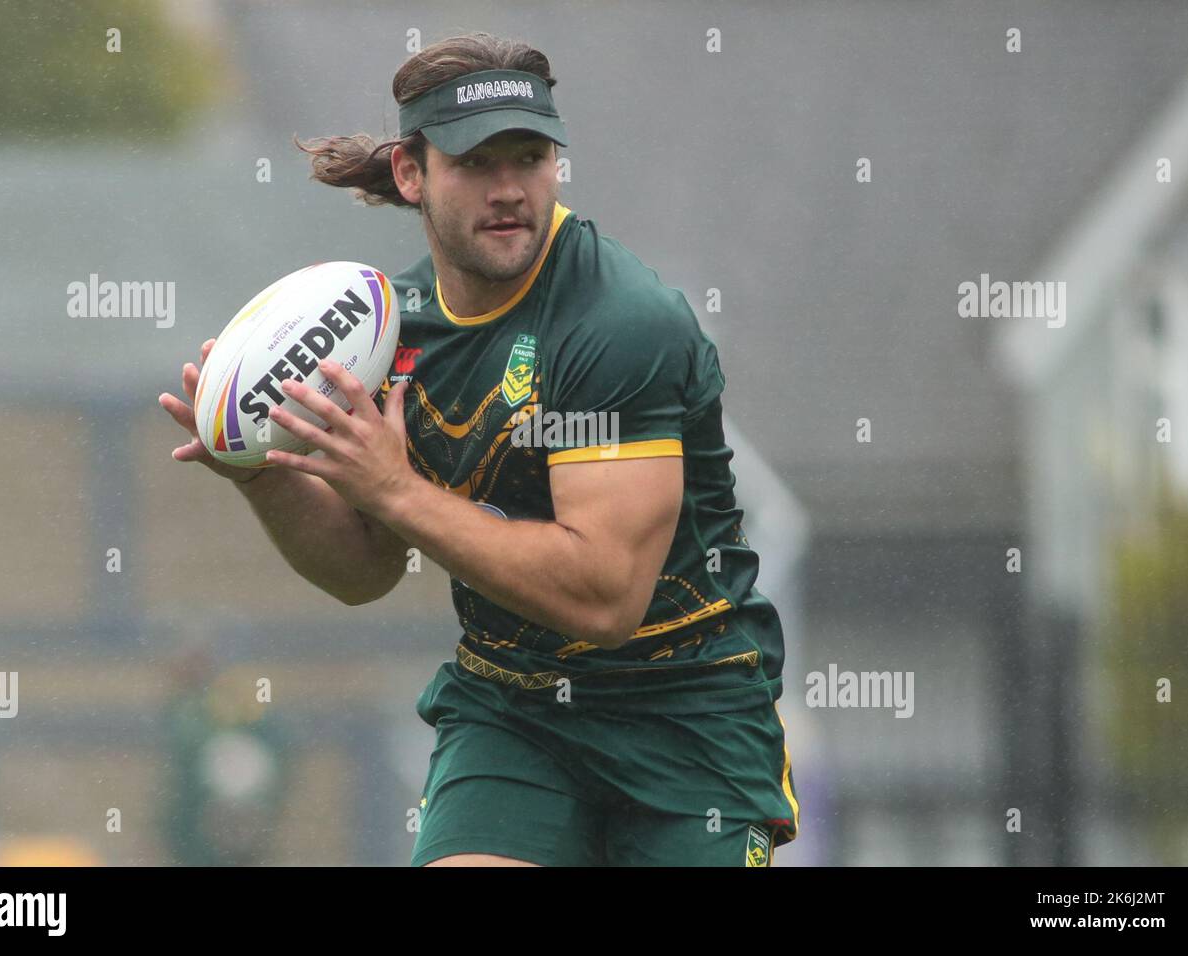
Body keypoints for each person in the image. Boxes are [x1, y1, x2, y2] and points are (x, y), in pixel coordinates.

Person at [159, 31, 799, 867]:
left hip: (689, 724)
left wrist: (397, 492)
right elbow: (363, 571)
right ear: (411, 173)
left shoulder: (617, 324)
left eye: (529, 158)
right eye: (474, 163)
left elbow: (606, 600)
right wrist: (260, 476)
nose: (508, 190)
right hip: (516, 713)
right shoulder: (390, 333)